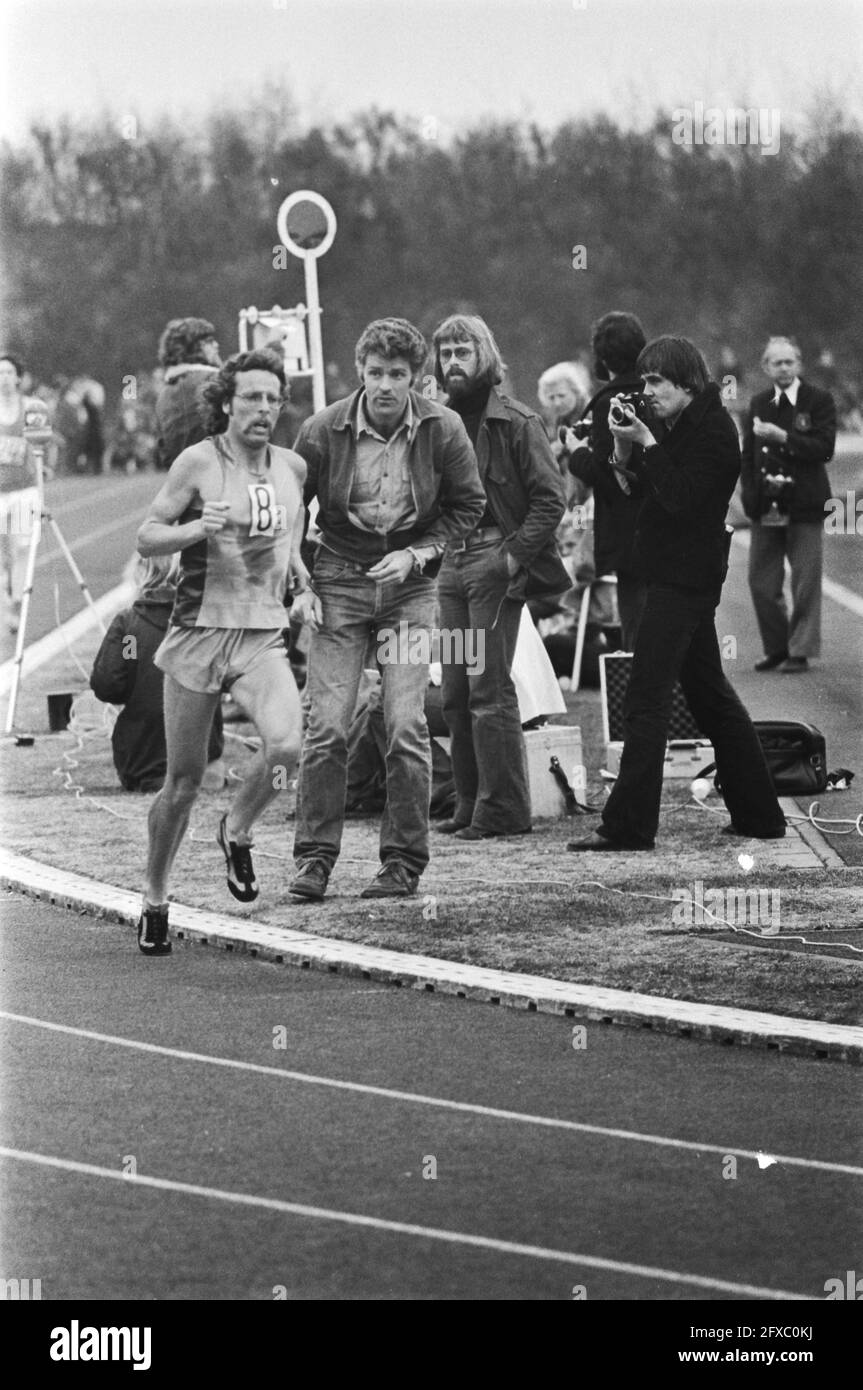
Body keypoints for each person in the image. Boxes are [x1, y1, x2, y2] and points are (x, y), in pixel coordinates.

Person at [289, 316, 485, 901]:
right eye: (375, 373)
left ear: (415, 379)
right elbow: (288, 507)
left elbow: (469, 506)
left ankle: (401, 861)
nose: (384, 386)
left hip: (409, 587)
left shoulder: (444, 429)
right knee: (325, 728)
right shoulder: (322, 431)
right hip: (339, 580)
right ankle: (314, 860)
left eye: (397, 375)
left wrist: (419, 553)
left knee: (405, 725)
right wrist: (297, 582)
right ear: (360, 374)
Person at [568, 336, 785, 852]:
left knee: (646, 698)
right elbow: (634, 491)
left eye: (656, 381)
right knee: (711, 696)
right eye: (644, 380)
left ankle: (630, 826)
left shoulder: (714, 432)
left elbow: (683, 499)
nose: (647, 390)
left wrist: (647, 442)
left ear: (687, 382)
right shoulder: (678, 425)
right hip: (671, 573)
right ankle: (760, 815)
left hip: (686, 580)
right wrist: (624, 444)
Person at [135, 347, 307, 955]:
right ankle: (155, 897)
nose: (262, 408)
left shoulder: (292, 468)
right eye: (251, 397)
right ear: (227, 402)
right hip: (198, 634)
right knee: (182, 782)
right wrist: (196, 529)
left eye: (272, 398)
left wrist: (304, 587)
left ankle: (236, 829)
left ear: (282, 405)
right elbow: (147, 535)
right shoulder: (199, 462)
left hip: (260, 635)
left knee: (288, 746)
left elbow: (291, 542)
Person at [431, 314, 568, 841]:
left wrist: (510, 560)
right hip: (450, 564)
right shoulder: (438, 421)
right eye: (445, 353)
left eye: (463, 351)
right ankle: (469, 804)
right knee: (456, 695)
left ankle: (505, 811)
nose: (453, 362)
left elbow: (551, 499)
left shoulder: (517, 420)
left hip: (493, 560)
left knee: (490, 691)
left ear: (484, 355)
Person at [741, 337, 837, 673]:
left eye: (789, 362)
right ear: (766, 367)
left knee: (805, 579)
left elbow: (825, 448)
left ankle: (800, 649)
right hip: (768, 504)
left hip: (805, 502)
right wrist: (750, 495)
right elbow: (748, 454)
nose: (783, 368)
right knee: (761, 580)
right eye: (776, 363)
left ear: (799, 364)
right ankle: (777, 646)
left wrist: (783, 437)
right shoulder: (758, 403)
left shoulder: (818, 400)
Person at [90, 554, 225, 792]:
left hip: (146, 764)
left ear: (141, 572)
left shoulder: (129, 626)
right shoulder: (208, 619)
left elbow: (109, 685)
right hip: (205, 763)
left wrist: (137, 667)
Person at [560, 311, 649, 650]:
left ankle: (642, 694)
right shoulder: (653, 392)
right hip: (660, 521)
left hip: (625, 528)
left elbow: (603, 471)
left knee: (634, 619)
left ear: (601, 356)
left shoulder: (606, 402)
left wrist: (576, 450)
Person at [0, 353, 44, 634]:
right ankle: (7, 593)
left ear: (18, 377)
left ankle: (15, 605)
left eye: (8, 372)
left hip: (23, 492)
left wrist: (41, 490)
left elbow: (40, 451)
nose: (3, 378)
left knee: (21, 549)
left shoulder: (32, 407)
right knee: (3, 555)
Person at [154, 317, 222, 469]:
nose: (216, 345)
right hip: (216, 474)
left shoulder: (164, 393)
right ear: (194, 348)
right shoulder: (212, 380)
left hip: (180, 478)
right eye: (209, 341)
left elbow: (163, 450)